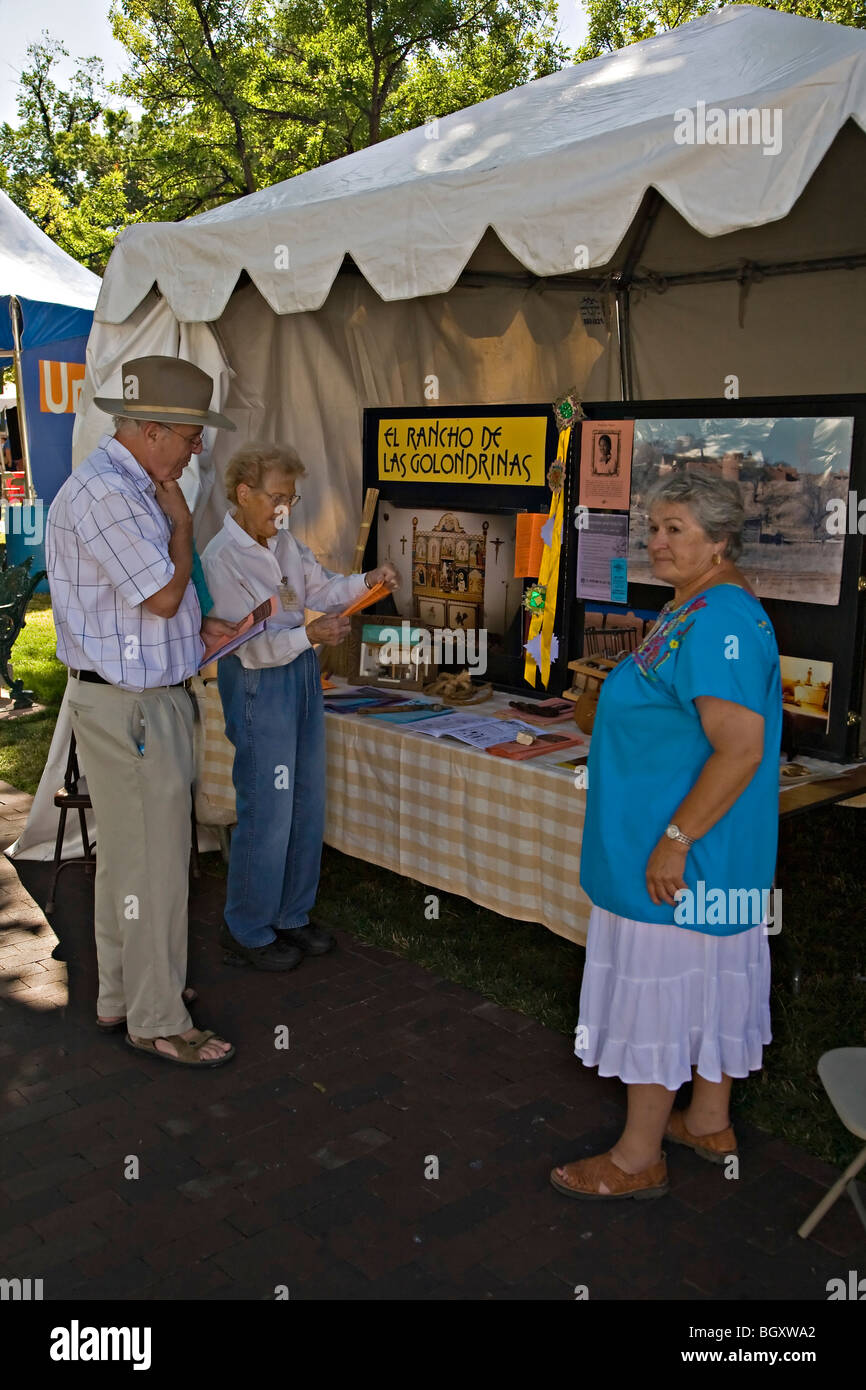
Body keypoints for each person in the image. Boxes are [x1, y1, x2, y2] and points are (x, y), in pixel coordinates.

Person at [551, 469, 781, 1200]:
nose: (656, 542)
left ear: (718, 540)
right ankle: (707, 1119)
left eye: (674, 529)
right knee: (707, 978)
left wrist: (676, 839)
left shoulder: (719, 618)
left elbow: (740, 744)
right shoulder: (701, 604)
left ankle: (635, 1158)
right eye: (652, 527)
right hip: (705, 853)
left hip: (685, 855)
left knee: (660, 985)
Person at [45, 356, 241, 1068]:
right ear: (153, 430)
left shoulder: (120, 485)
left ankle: (123, 994)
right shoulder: (114, 495)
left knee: (129, 859)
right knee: (156, 865)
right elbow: (159, 594)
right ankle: (157, 1019)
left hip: (124, 697)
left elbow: (147, 606)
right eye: (192, 436)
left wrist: (199, 629)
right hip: (135, 707)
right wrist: (184, 528)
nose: (198, 450)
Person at [201, 442, 399, 971]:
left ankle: (290, 914)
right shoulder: (221, 558)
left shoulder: (285, 541)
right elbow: (246, 646)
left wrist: (368, 582)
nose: (285, 508)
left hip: (302, 673)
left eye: (291, 497)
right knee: (267, 807)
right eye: (277, 496)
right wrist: (307, 635)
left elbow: (325, 587)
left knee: (306, 800)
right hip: (258, 681)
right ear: (244, 493)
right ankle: (245, 926)